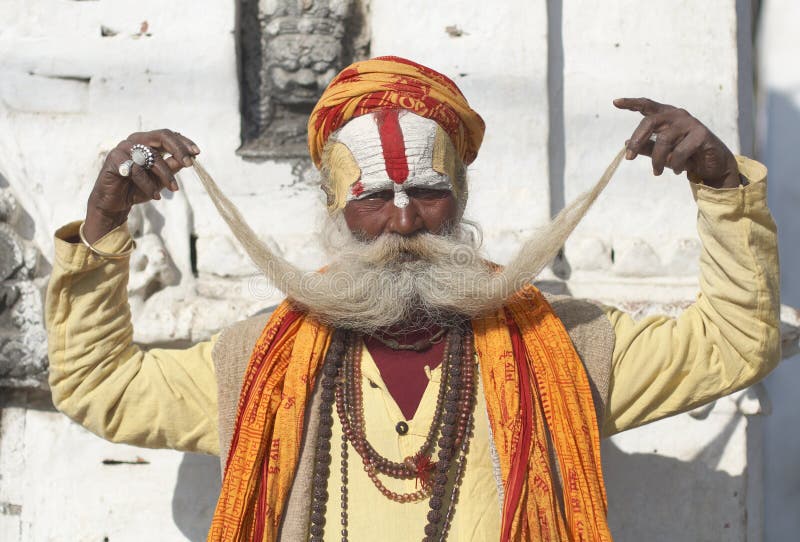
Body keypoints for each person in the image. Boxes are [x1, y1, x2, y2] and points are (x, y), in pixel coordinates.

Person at [46, 57, 780, 541]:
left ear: (458, 201)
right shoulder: (258, 364)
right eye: (374, 200)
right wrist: (107, 222)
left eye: (426, 193)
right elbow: (98, 385)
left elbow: (734, 343)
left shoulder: (565, 348)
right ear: (337, 212)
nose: (402, 222)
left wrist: (719, 187)